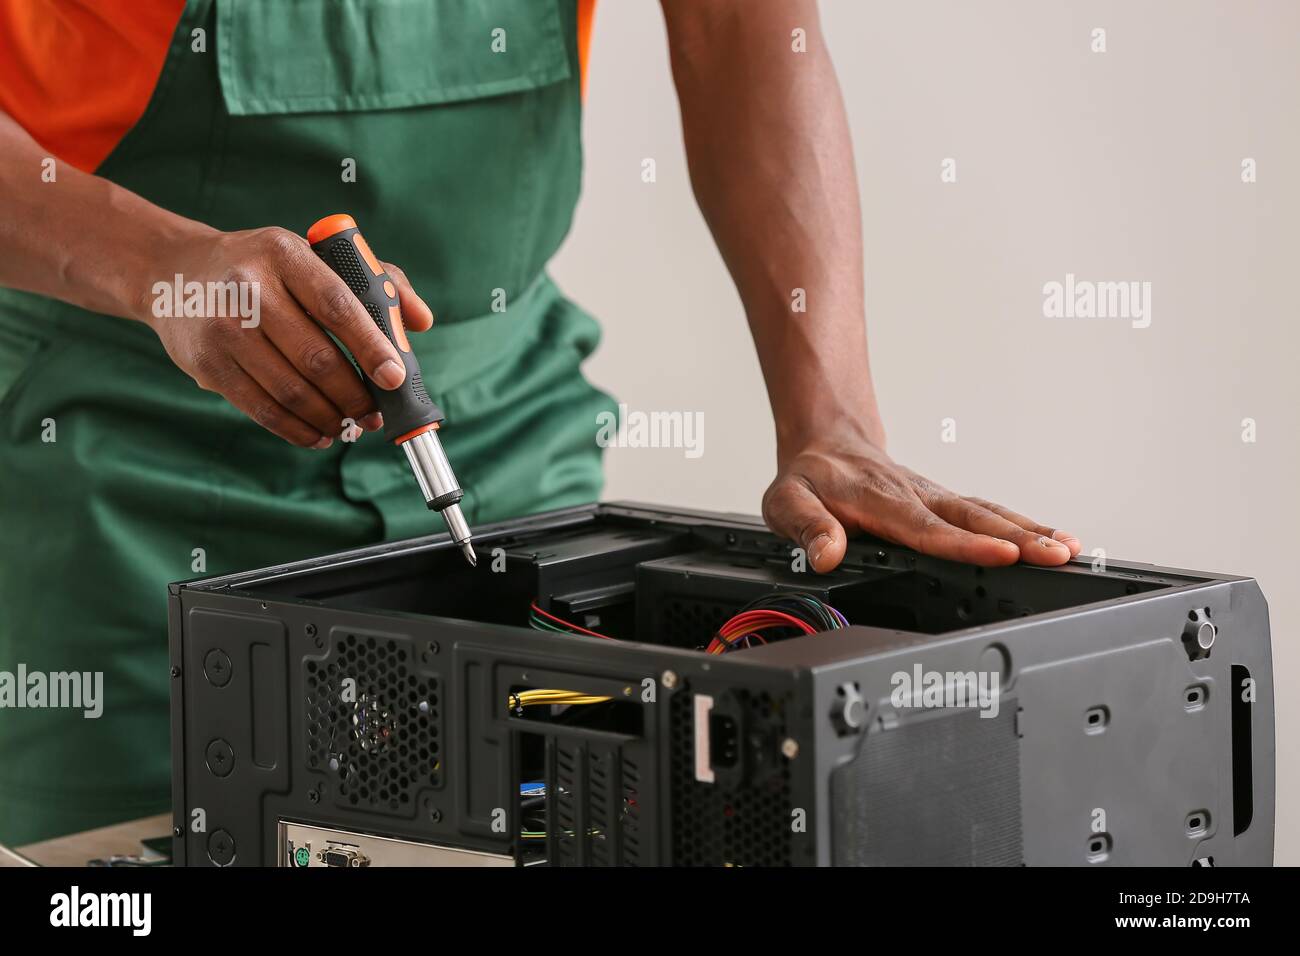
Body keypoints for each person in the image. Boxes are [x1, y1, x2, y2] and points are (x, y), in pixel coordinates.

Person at [0, 0, 1080, 844]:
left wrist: (832, 420)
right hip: (107, 469)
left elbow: (743, 26)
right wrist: (163, 270)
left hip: (507, 442)